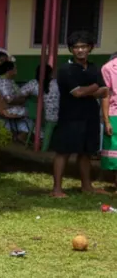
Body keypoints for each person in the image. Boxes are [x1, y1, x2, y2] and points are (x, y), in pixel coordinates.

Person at [50, 31, 110, 197]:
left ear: (90, 48)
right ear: (71, 50)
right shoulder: (66, 69)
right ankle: (56, 189)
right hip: (70, 117)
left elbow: (105, 91)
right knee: (63, 152)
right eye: (76, 47)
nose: (80, 50)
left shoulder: (93, 68)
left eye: (84, 46)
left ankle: (87, 186)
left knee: (86, 152)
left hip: (90, 115)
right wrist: (93, 88)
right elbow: (77, 93)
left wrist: (88, 90)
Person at [0, 60, 37, 142]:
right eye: (15, 68)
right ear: (9, 70)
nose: (16, 70)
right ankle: (24, 134)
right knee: (32, 113)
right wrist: (22, 100)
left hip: (2, 108)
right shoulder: (5, 83)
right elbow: (9, 99)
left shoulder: (1, 80)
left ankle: (11, 133)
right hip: (8, 108)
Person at [102, 53, 117, 185]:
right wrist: (106, 121)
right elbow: (105, 96)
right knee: (114, 150)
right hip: (115, 114)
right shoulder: (109, 68)